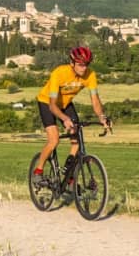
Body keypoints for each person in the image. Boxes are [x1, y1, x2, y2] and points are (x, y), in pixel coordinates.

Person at [31, 46, 111, 186]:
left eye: (86, 64)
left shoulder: (90, 75)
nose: (83, 68)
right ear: (72, 63)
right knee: (54, 140)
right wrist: (65, 119)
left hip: (66, 104)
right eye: (80, 64)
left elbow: (95, 100)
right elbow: (52, 105)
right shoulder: (59, 73)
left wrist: (102, 117)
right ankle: (38, 171)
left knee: (76, 137)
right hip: (47, 103)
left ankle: (69, 174)